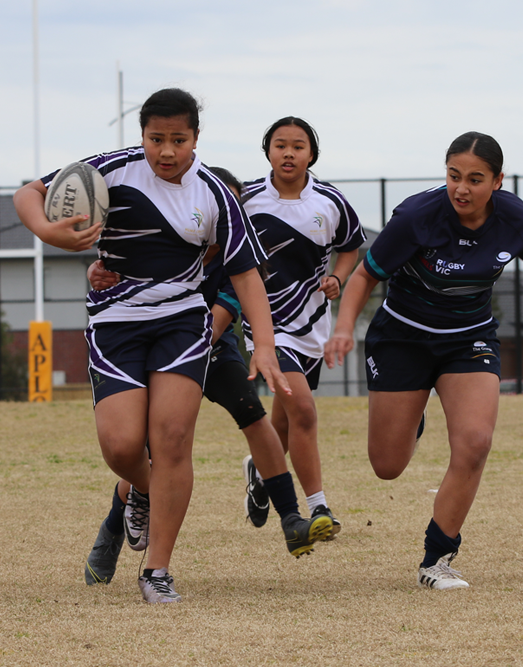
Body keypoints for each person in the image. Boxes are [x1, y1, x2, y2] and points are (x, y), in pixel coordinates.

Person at [13, 89, 291, 604]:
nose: (166, 151)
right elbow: (27, 194)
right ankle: (143, 489)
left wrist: (265, 345)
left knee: (172, 437)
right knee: (121, 446)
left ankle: (157, 569)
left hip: (183, 323)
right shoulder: (110, 170)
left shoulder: (215, 194)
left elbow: (247, 274)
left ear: (195, 139)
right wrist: (49, 232)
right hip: (115, 321)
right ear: (141, 135)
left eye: (178, 140)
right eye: (156, 139)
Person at [324, 131, 523, 589]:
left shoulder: (516, 219)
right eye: (454, 176)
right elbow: (365, 275)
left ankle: (436, 559)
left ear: (498, 181)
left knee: (475, 442)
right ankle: (414, 420)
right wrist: (344, 327)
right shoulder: (417, 217)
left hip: (468, 340)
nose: (462, 188)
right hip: (402, 339)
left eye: (475, 179)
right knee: (387, 465)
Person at [81, 167, 334, 588]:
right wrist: (98, 272)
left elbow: (224, 312)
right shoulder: (171, 236)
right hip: (150, 346)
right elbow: (123, 275)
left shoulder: (237, 248)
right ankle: (112, 528)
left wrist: (193, 344)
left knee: (251, 414)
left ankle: (291, 517)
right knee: (142, 444)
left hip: (208, 347)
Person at [240, 116, 366, 536]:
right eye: (280, 145)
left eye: (297, 146)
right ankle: (318, 507)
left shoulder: (330, 201)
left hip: (312, 324)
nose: (288, 153)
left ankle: (260, 476)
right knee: (305, 412)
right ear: (268, 151)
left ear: (311, 154)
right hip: (265, 326)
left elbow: (351, 247)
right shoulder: (246, 199)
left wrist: (338, 277)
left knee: (285, 420)